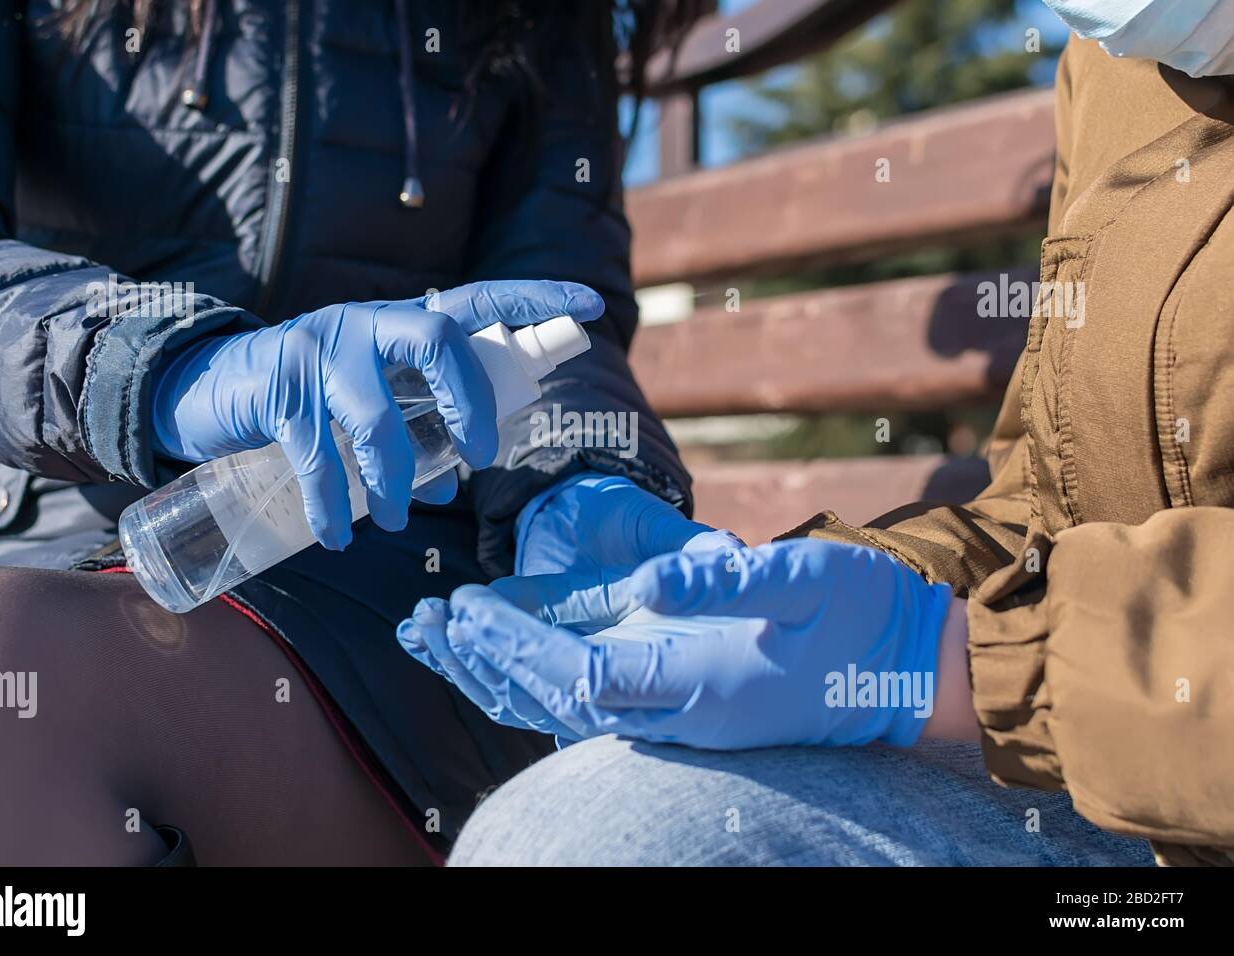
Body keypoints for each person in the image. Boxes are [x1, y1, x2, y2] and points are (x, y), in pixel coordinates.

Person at [401, 0, 1234, 867]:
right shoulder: (1115, 59)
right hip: (1097, 767)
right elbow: (1051, 506)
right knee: (577, 824)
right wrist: (822, 595)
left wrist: (960, 659)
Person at [0, 0, 704, 865]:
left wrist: (576, 482)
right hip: (12, 518)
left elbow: (552, 317)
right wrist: (169, 368)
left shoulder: (538, 18)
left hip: (369, 583)